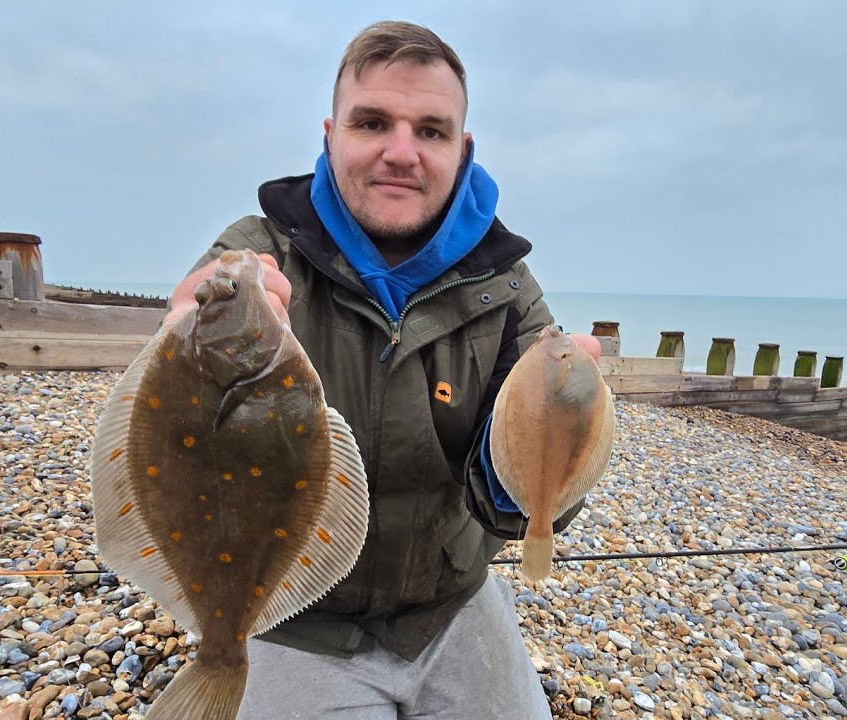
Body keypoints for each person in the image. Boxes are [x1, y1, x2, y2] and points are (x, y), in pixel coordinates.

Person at [164, 20, 603, 719]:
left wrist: (561, 432)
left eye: (430, 131)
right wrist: (192, 333)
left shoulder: (507, 287)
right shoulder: (260, 254)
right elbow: (205, 309)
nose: (402, 152)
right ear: (331, 133)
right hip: (293, 614)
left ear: (462, 151)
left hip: (447, 603)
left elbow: (513, 509)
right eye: (373, 122)